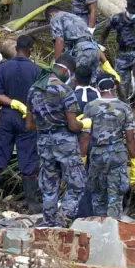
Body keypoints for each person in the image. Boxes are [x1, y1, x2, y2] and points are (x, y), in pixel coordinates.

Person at [26, 59, 87, 225]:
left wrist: (45, 125)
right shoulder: (65, 89)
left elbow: (29, 125)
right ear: (67, 71)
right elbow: (73, 125)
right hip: (65, 141)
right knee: (77, 183)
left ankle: (49, 221)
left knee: (49, 185)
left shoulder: (33, 90)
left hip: (44, 141)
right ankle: (63, 218)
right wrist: (85, 124)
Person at [0, 35, 41, 211]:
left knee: (0, 154)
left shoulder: (3, 68)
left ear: (16, 48)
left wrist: (11, 102)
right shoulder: (36, 70)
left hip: (7, 116)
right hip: (27, 118)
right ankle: (32, 203)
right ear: (30, 50)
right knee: (28, 157)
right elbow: (39, 97)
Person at [80, 76, 135, 219]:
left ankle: (99, 228)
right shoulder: (124, 108)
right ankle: (113, 230)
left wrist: (82, 159)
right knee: (115, 197)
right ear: (114, 87)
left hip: (97, 156)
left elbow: (85, 137)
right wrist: (134, 163)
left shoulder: (90, 107)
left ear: (98, 89)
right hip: (117, 155)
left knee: (98, 195)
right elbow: (130, 138)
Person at [96, 0, 135, 96]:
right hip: (123, 54)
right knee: (121, 86)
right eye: (132, 11)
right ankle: (124, 106)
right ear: (127, 8)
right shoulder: (117, 18)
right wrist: (100, 45)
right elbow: (106, 31)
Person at [47, 5, 100, 86]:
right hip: (95, 50)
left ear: (51, 14)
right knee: (91, 84)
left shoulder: (55, 17)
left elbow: (59, 40)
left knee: (73, 83)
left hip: (83, 51)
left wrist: (57, 65)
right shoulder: (75, 17)